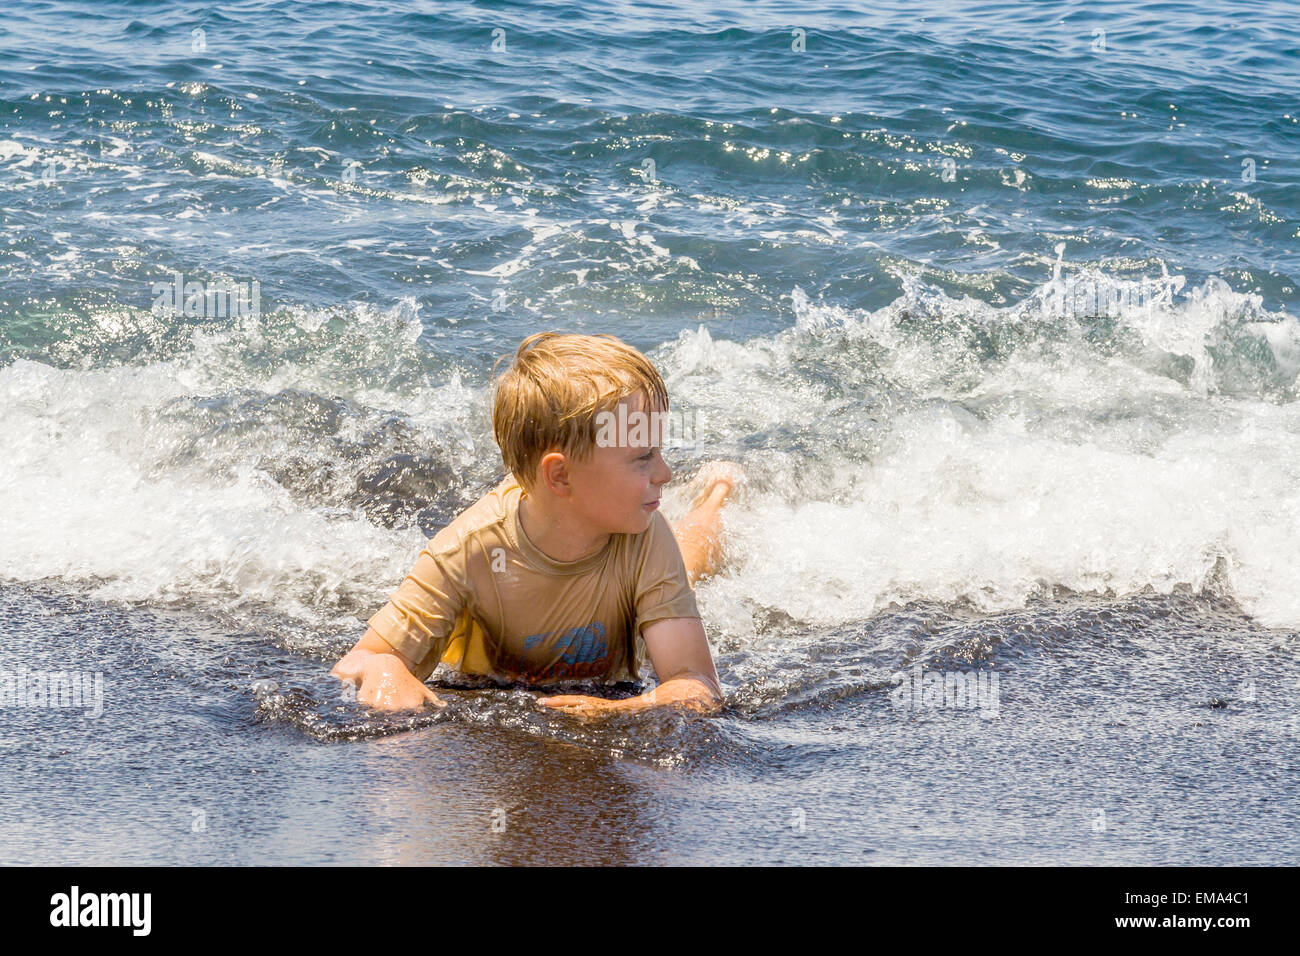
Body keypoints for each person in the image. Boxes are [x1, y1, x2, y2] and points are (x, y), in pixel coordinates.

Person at [330, 331, 744, 717]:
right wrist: (385, 668)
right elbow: (358, 660)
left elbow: (699, 685)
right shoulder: (468, 550)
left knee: (690, 565)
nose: (665, 473)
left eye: (659, 452)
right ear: (560, 476)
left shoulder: (645, 537)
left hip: (643, 576)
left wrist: (615, 711)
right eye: (643, 457)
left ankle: (716, 496)